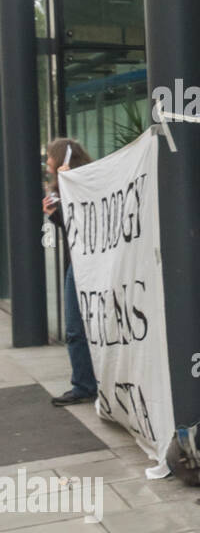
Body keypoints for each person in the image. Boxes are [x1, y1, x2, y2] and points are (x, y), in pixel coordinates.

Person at [42, 137, 98, 407]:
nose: (47, 163)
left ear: (62, 158)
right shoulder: (58, 186)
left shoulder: (85, 180)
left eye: (50, 157)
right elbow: (68, 223)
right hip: (77, 264)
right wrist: (54, 212)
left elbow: (87, 217)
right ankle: (84, 384)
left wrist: (70, 183)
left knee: (82, 327)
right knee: (75, 328)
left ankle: (86, 385)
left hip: (90, 263)